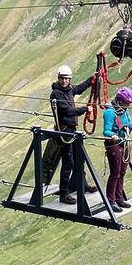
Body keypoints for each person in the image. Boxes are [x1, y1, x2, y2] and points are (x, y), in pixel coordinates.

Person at [41, 65, 95, 205]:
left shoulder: (69, 89)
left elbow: (79, 88)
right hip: (64, 131)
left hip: (71, 130)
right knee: (68, 162)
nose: (64, 81)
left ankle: (81, 184)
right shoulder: (56, 94)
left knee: (79, 158)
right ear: (58, 78)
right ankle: (64, 193)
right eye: (62, 78)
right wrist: (85, 109)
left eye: (66, 78)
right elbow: (67, 111)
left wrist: (92, 79)